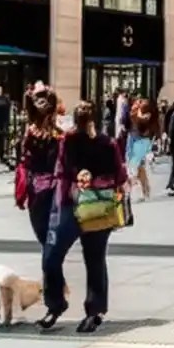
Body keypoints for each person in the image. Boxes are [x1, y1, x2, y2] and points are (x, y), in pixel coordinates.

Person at [39, 101, 127, 333]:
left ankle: (91, 311)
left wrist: (91, 178)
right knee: (55, 256)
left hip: (93, 206)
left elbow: (118, 174)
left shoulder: (106, 144)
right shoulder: (70, 140)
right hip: (76, 205)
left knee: (89, 257)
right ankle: (59, 305)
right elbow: (63, 169)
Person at [16, 84, 63, 245]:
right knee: (53, 237)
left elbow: (24, 160)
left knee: (43, 235)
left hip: (36, 188)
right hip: (56, 188)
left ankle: (49, 264)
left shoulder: (31, 133)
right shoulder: (59, 135)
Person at [122, 99, 159, 202]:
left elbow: (137, 119)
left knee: (136, 167)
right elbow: (130, 118)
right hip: (134, 140)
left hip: (140, 141)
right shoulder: (138, 114)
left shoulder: (146, 116)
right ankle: (145, 189)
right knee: (136, 168)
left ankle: (141, 190)